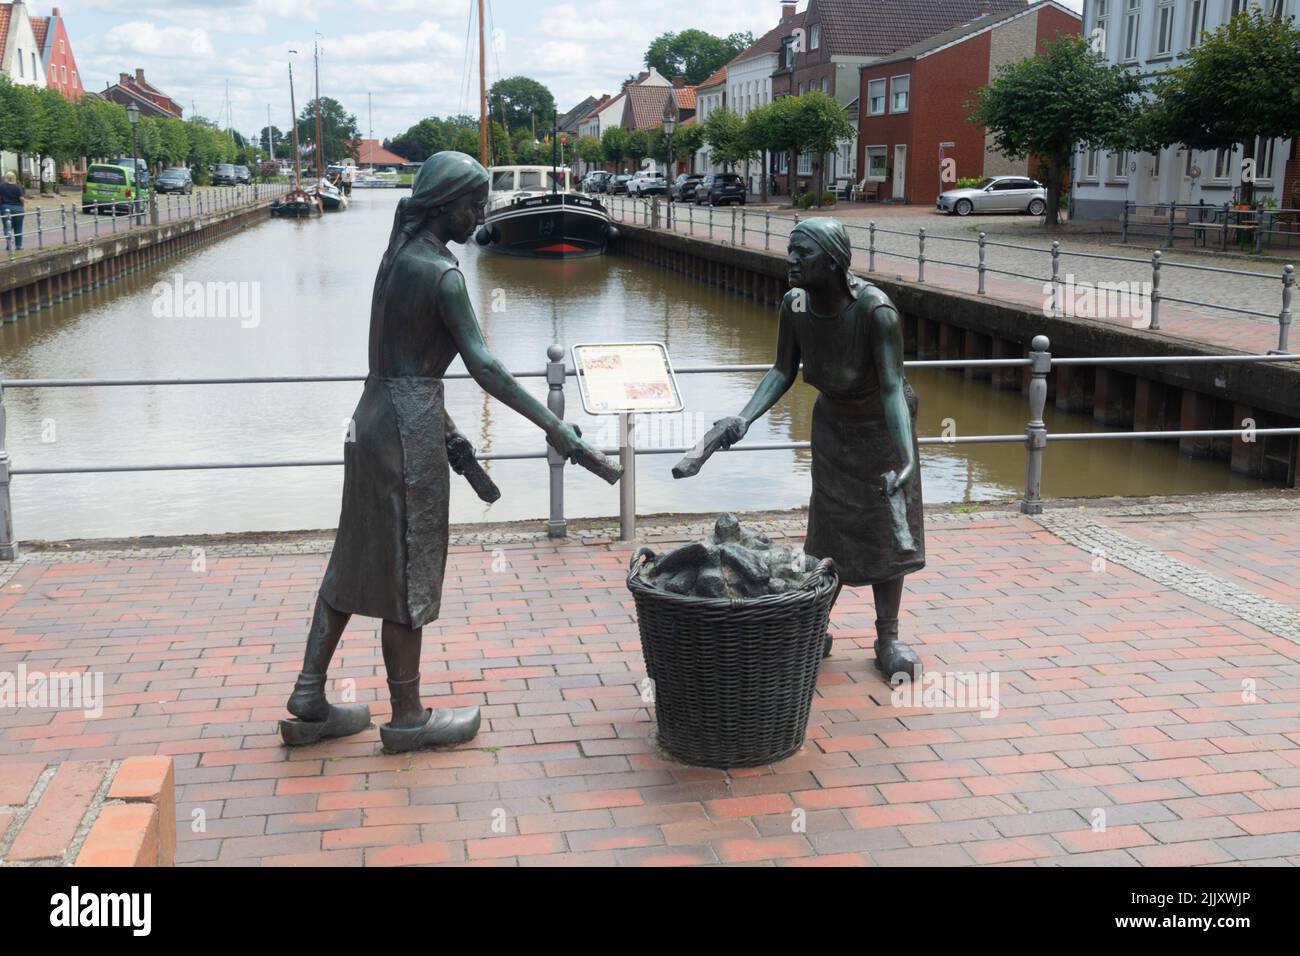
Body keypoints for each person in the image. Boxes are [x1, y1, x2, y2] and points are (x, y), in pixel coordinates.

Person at [280, 151, 605, 752]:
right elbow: (484, 365)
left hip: (372, 418)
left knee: (352, 555)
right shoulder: (443, 274)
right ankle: (408, 718)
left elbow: (404, 367)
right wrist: (553, 426)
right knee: (412, 566)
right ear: (444, 204)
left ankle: (309, 693)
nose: (480, 213)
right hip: (409, 432)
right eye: (473, 203)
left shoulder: (395, 259)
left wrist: (451, 431)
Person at [699, 217, 926, 681]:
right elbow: (782, 370)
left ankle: (888, 636)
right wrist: (744, 417)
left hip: (882, 427)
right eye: (791, 250)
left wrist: (906, 459)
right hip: (833, 427)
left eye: (803, 253)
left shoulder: (875, 312)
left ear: (833, 262)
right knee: (828, 530)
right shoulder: (794, 304)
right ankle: (815, 624)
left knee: (884, 532)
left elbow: (890, 390)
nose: (792, 260)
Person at [1, 172, 25, 252]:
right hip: (17, 208)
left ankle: (9, 244)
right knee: (18, 227)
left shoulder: (1, 186)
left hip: (5, 208)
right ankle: (18, 245)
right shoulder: (17, 187)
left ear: (6, 178)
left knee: (6, 227)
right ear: (14, 178)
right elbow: (21, 198)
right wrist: (22, 206)